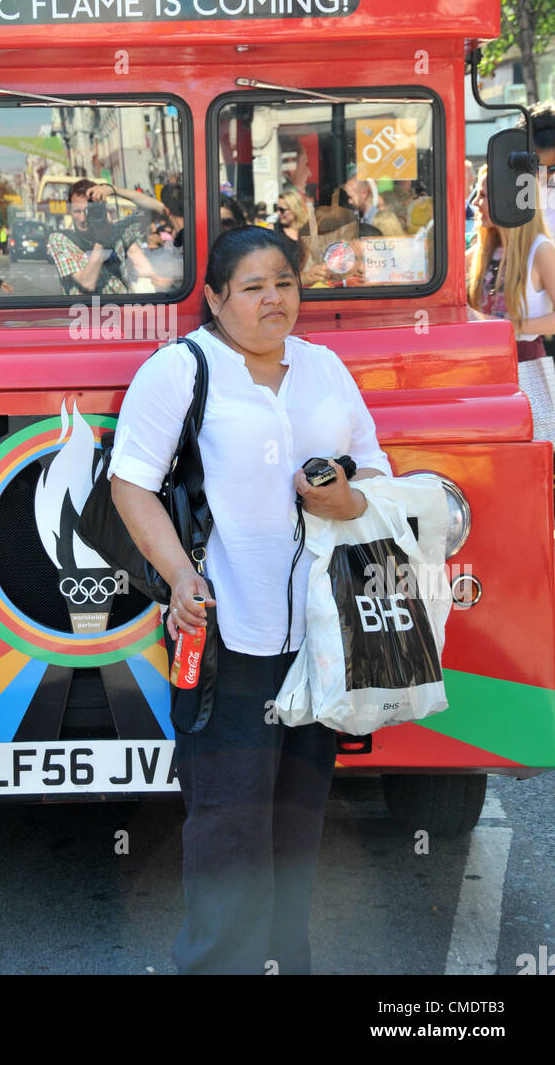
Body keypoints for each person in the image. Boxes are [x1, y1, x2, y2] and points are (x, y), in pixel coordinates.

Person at [108, 225, 391, 975]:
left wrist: (346, 499)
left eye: (286, 284)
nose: (274, 300)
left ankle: (283, 963)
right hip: (227, 630)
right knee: (228, 823)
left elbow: (375, 471)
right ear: (214, 298)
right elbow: (130, 482)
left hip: (323, 634)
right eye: (254, 287)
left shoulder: (325, 368)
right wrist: (181, 580)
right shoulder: (181, 370)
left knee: (300, 819)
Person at [467, 165, 555, 360]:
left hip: (523, 360)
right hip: (481, 358)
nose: (475, 202)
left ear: (508, 201)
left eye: (483, 195)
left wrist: (511, 325)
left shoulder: (540, 249)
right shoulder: (482, 250)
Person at [46, 179, 167, 295]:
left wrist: (114, 190)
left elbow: (157, 210)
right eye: (77, 211)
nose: (83, 218)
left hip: (123, 311)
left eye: (89, 211)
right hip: (87, 313)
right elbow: (87, 283)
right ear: (69, 211)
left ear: (102, 208)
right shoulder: (61, 239)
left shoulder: (117, 229)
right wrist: (102, 240)